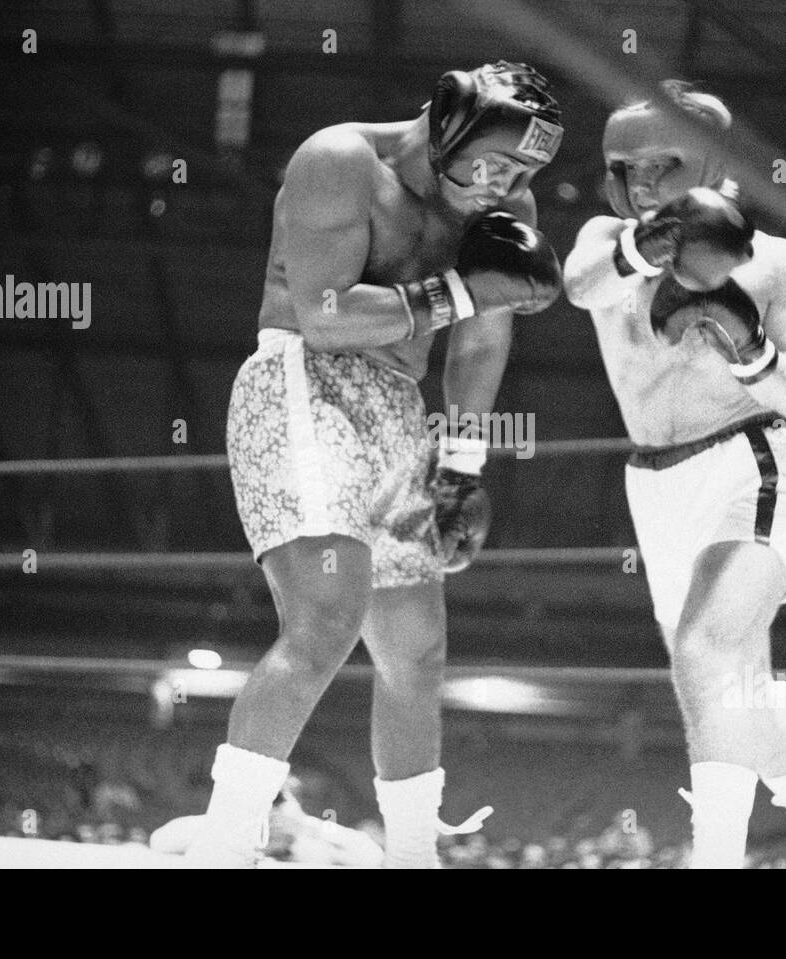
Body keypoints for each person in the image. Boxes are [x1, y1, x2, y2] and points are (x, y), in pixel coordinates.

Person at [162, 62, 564, 867]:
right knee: (327, 613)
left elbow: (485, 335)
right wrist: (460, 291)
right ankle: (227, 840)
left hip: (400, 408)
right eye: (495, 161)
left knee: (417, 648)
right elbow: (327, 313)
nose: (504, 186)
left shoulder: (503, 207)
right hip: (302, 380)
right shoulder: (340, 161)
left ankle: (414, 854)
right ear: (450, 123)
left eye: (522, 173)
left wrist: (461, 461)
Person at [565, 80, 786, 868]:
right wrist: (651, 248)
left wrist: (748, 348)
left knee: (707, 653)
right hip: (653, 485)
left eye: (661, 163)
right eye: (623, 166)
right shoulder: (603, 237)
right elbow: (582, 286)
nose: (640, 182)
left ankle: (716, 859)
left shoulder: (774, 261)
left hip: (748, 465)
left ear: (713, 163)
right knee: (731, 688)